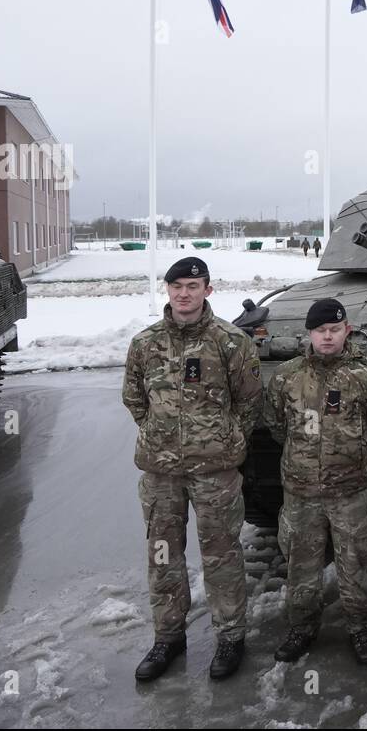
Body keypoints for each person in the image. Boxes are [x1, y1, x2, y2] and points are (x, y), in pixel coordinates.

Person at [122, 256, 263, 681]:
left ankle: (231, 636)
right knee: (163, 555)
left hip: (215, 472)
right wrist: (157, 434)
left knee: (221, 554)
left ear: (208, 289)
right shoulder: (145, 343)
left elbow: (249, 401)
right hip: (161, 473)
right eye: (177, 285)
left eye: (193, 285)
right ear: (167, 290)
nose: (184, 293)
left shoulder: (232, 342)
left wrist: (227, 440)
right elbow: (133, 398)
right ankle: (168, 636)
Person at [265, 298, 367, 665]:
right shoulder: (287, 376)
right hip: (301, 490)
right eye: (321, 331)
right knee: (301, 565)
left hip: (350, 489)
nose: (327, 337)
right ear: (309, 333)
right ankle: (302, 628)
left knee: (355, 562)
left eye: (334, 330)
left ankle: (360, 627)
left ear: (346, 331)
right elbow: (277, 424)